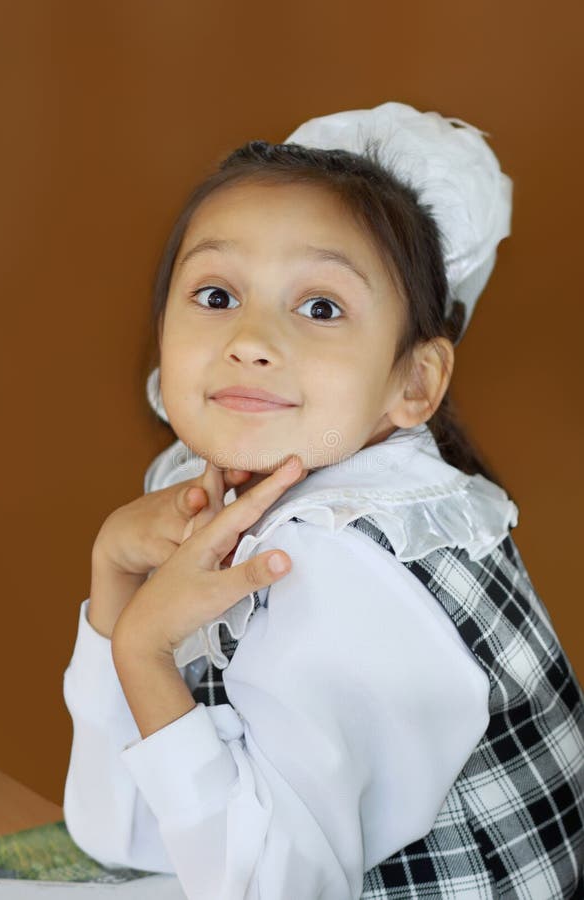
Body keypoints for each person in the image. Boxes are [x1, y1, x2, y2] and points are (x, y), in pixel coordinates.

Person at [62, 101, 584, 899]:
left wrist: (142, 651)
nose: (251, 339)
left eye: (320, 307)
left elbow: (275, 890)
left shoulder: (337, 557)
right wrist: (114, 589)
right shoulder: (234, 496)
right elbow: (121, 834)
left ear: (413, 383)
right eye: (214, 295)